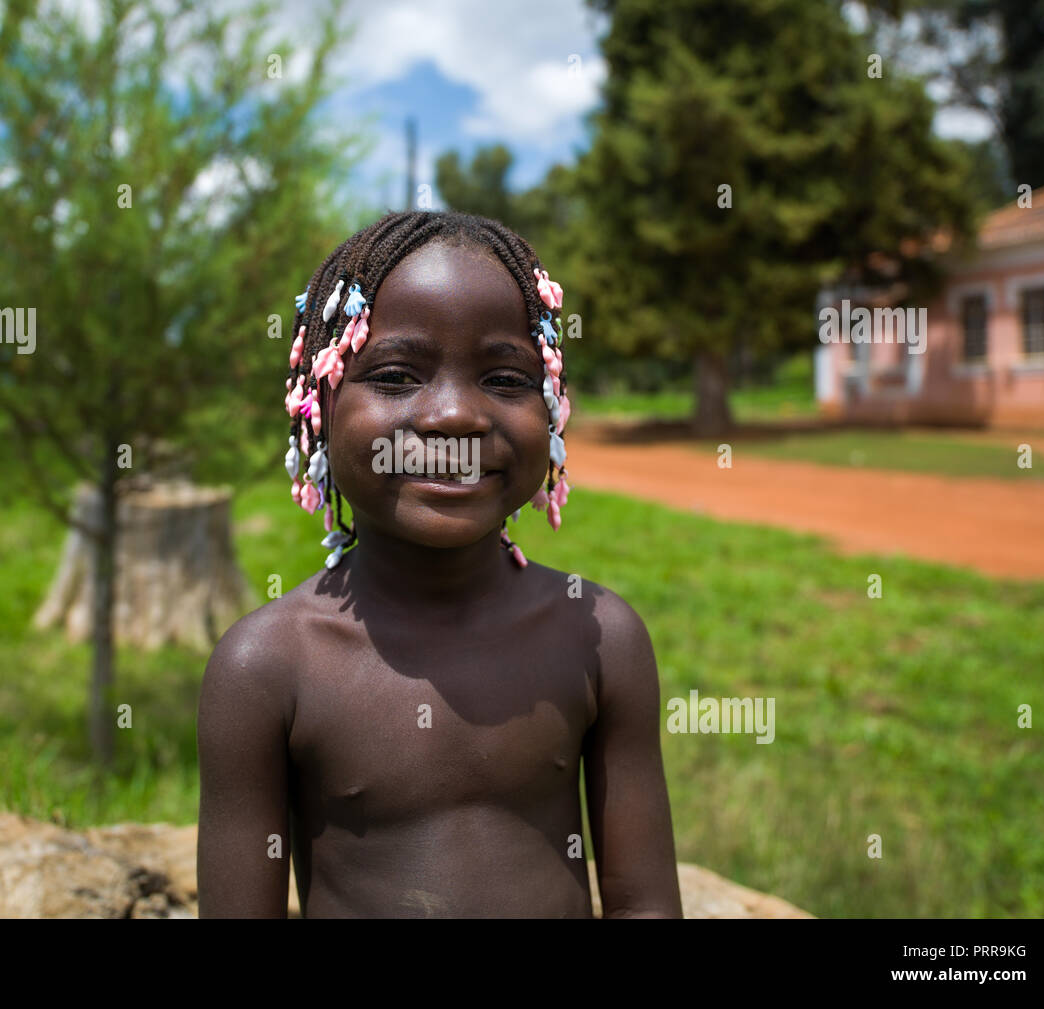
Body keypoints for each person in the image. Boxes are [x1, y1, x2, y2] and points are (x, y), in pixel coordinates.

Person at [197, 210, 681, 918]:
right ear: (318, 410)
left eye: (506, 378)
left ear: (552, 408)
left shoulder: (600, 637)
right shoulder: (265, 665)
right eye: (396, 375)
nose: (454, 414)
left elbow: (645, 905)